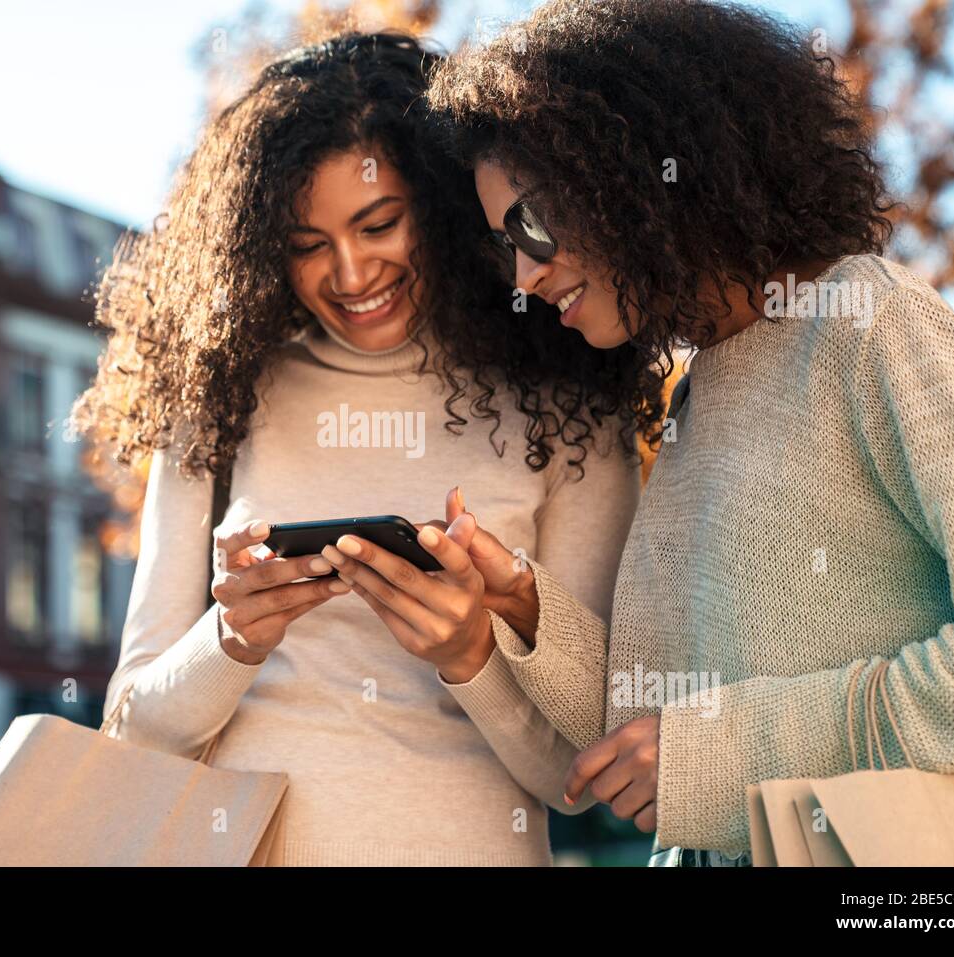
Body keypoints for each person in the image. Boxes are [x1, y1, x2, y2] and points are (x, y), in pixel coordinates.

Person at [329, 0, 954, 865]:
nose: (525, 273)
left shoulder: (869, 323)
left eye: (532, 227)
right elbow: (658, 738)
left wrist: (735, 749)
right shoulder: (698, 391)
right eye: (504, 246)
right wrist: (526, 606)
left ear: (629, 173)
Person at [74, 32, 648, 865]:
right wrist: (231, 638)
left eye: (378, 224)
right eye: (308, 244)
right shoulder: (218, 401)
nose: (348, 274)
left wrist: (472, 655)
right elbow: (132, 730)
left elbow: (578, 763)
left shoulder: (572, 410)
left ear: (445, 211)